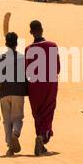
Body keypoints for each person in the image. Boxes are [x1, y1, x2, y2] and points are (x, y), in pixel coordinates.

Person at [24, 19, 59, 156]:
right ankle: (42, 138)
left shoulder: (28, 49)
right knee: (48, 111)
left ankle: (40, 137)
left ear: (31, 32)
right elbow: (57, 68)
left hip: (34, 86)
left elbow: (26, 70)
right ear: (42, 30)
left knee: (37, 113)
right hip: (49, 84)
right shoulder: (52, 46)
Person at [0, 31, 28, 156]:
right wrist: (27, 90)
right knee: (17, 117)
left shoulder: (1, 58)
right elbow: (26, 76)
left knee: (6, 121)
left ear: (6, 43)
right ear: (16, 43)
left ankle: (10, 147)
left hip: (4, 93)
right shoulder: (22, 58)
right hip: (18, 92)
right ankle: (15, 133)